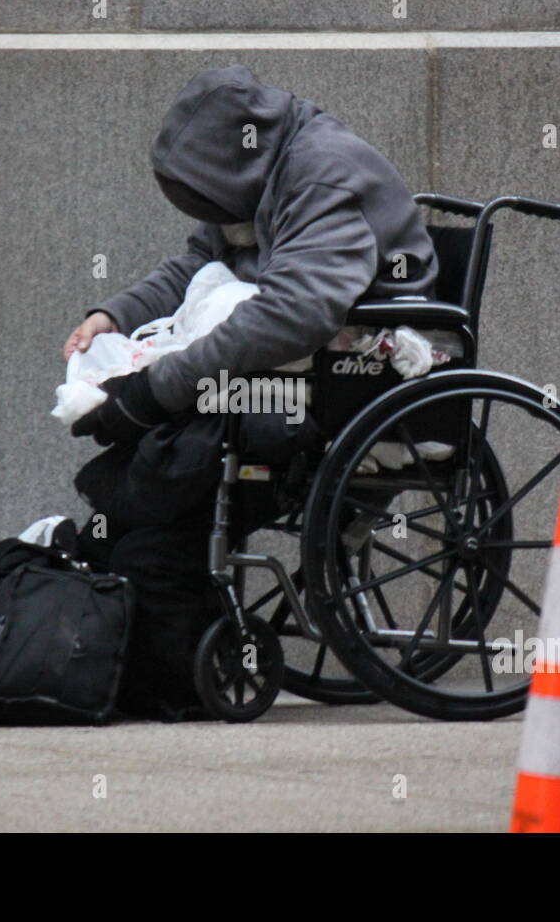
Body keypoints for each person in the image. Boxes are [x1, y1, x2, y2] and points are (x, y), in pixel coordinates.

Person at [62, 64, 438, 720]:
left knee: (175, 453)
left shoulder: (324, 175)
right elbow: (197, 266)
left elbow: (298, 311)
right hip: (291, 372)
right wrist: (114, 316)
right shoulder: (254, 174)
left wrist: (162, 386)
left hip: (356, 380)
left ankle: (172, 621)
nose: (208, 215)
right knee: (144, 464)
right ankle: (136, 599)